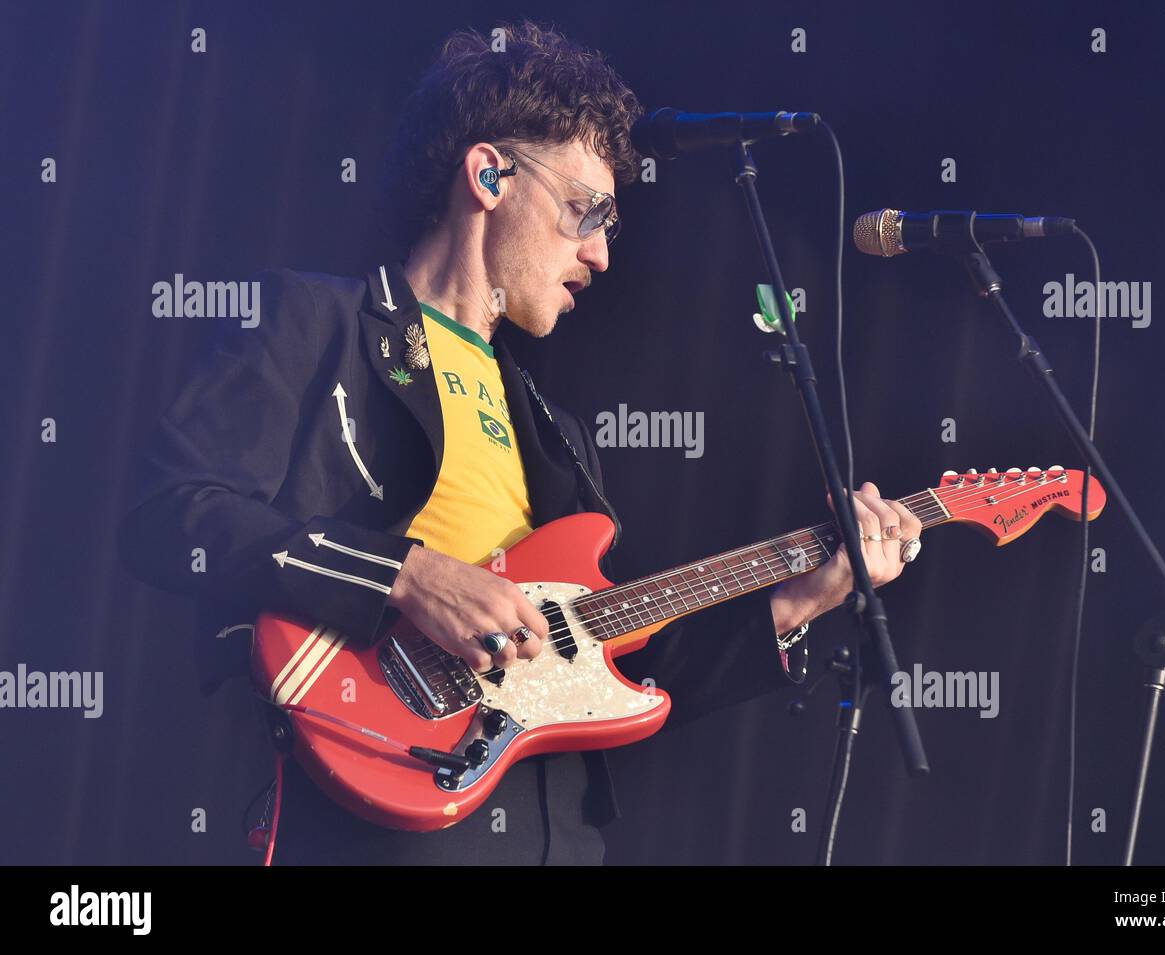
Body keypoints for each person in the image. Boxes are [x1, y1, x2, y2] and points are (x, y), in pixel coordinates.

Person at [117, 19, 921, 865]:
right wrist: (407, 575)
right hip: (381, 807)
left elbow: (629, 664)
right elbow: (170, 513)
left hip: (556, 835)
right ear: (489, 174)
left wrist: (808, 595)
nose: (602, 254)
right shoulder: (316, 326)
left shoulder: (556, 431)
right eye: (586, 211)